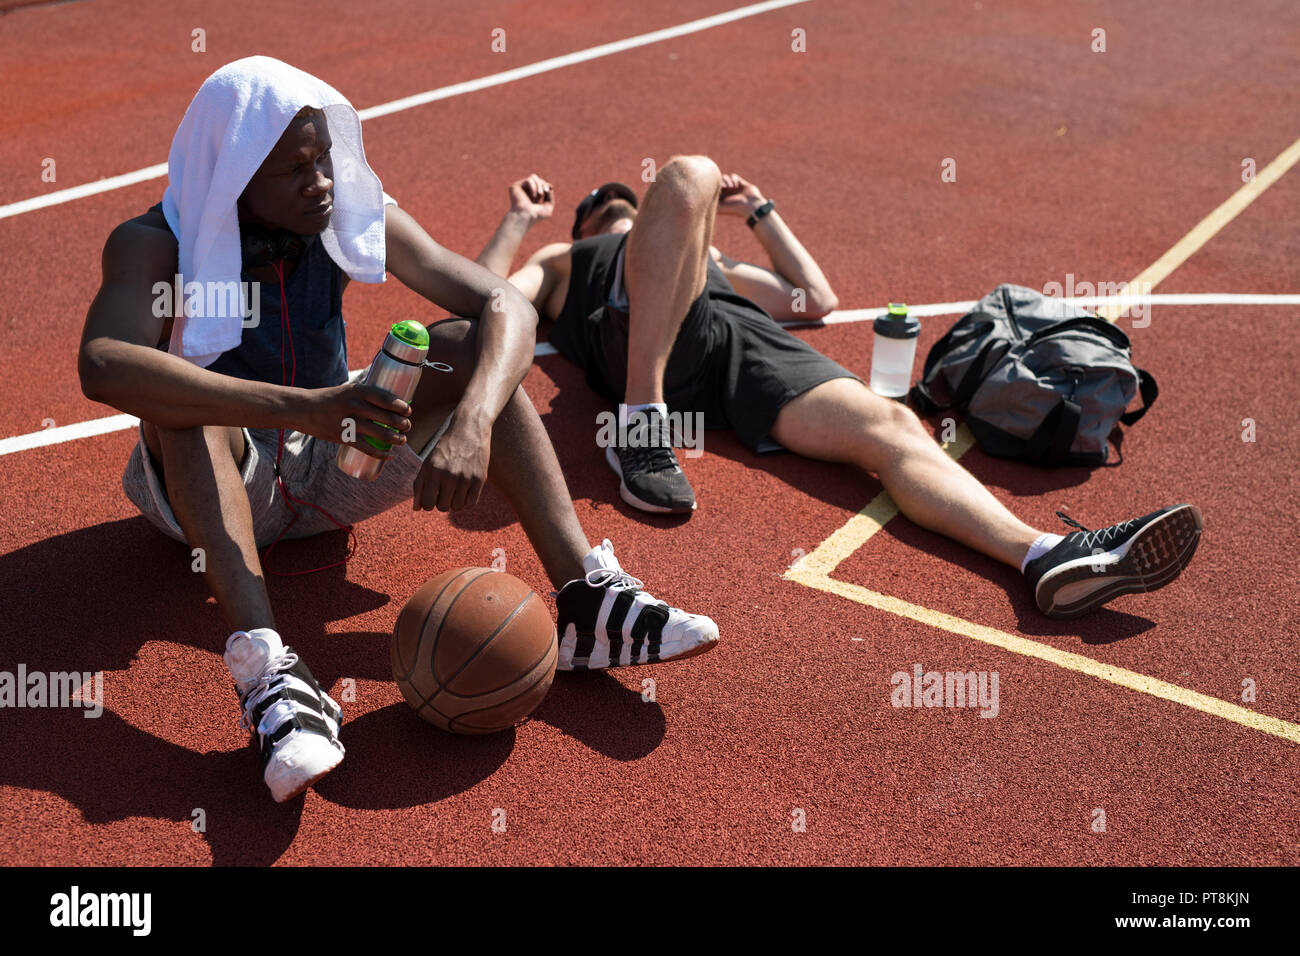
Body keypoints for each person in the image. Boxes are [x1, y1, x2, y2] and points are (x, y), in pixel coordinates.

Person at [77, 59, 718, 804]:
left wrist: (475, 416)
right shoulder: (155, 243)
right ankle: (271, 674)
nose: (321, 180)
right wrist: (304, 408)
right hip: (220, 480)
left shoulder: (345, 207)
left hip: (335, 456)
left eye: (323, 158)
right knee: (181, 402)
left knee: (472, 350)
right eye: (294, 169)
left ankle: (588, 602)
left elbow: (506, 304)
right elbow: (103, 364)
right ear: (235, 175)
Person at [476, 159, 1203, 621]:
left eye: (623, 202)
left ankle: (1045, 553)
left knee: (890, 427)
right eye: (601, 207)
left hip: (740, 348)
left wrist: (758, 212)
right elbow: (490, 303)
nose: (613, 205)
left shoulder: (713, 256)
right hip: (641, 351)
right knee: (692, 169)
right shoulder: (568, 256)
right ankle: (642, 424)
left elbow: (813, 299)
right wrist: (518, 221)